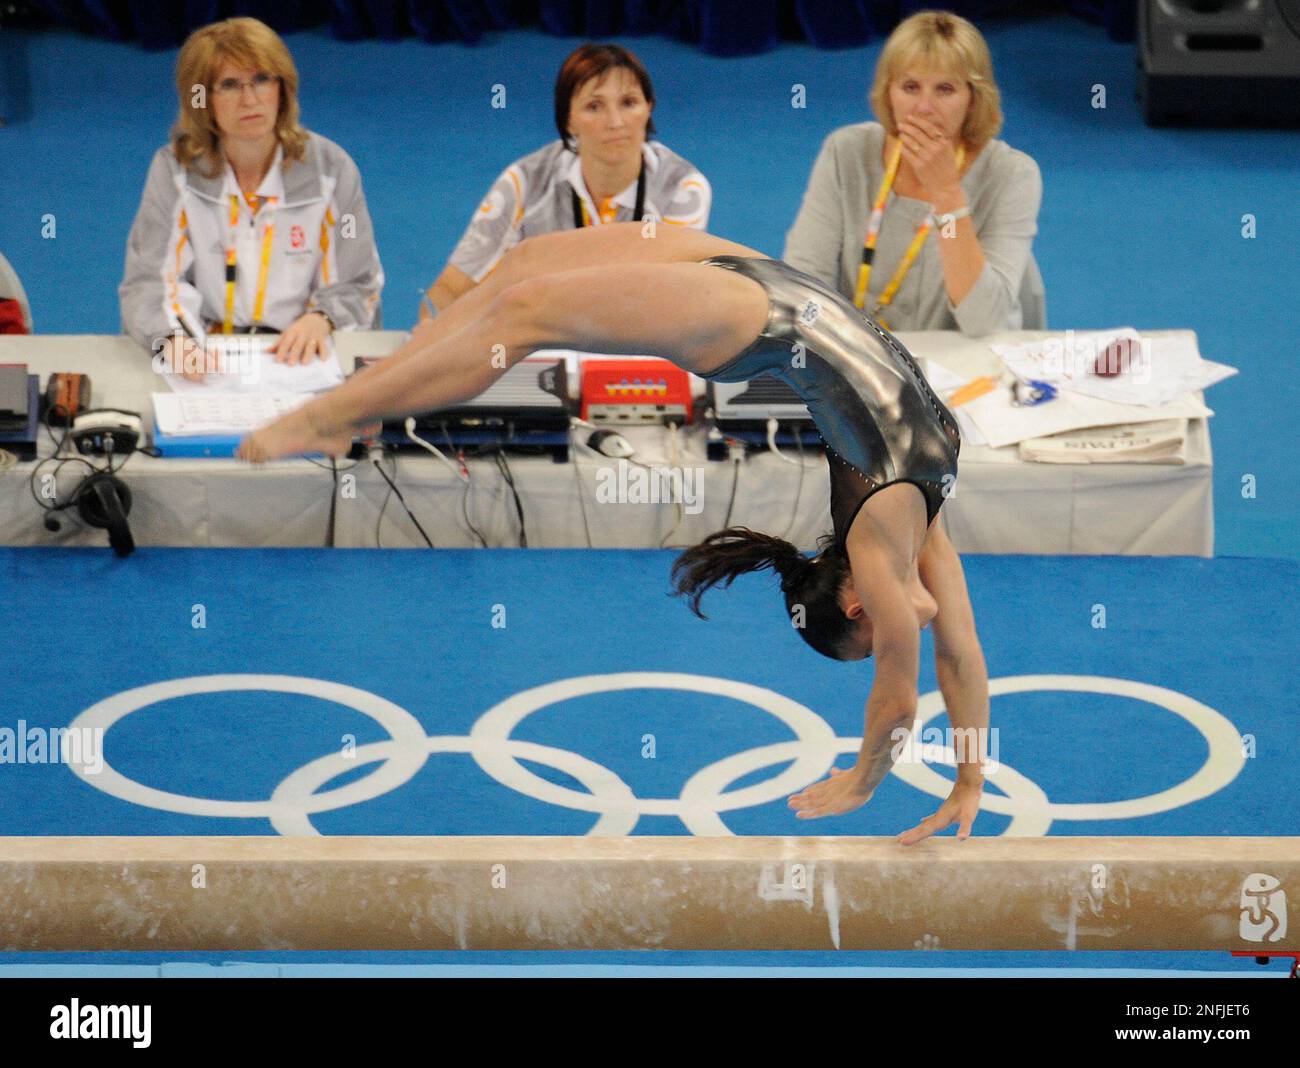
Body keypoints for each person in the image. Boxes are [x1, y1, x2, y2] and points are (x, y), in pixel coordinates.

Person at [237, 223, 990, 844]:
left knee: (526, 309)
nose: (906, 630)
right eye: (884, 634)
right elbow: (918, 682)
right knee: (522, 269)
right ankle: (363, 403)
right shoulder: (893, 545)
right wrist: (889, 781)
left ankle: (341, 413)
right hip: (761, 295)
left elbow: (946, 654)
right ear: (859, 607)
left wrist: (963, 777)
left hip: (758, 305)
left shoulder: (900, 528)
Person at [119, 16, 384, 379]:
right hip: (208, 356)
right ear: (203, 100)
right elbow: (148, 281)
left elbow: (357, 281)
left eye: (262, 79)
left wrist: (323, 318)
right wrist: (172, 338)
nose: (250, 99)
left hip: (299, 355)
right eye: (229, 85)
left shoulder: (331, 170)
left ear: (282, 89)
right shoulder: (175, 170)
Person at [783, 10, 1044, 337]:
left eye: (945, 89)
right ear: (888, 93)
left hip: (965, 369)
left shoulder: (1011, 175)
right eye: (910, 87)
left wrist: (947, 196)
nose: (923, 107)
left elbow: (984, 321)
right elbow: (803, 285)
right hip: (857, 358)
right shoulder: (846, 153)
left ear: (973, 99)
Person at [419, 42, 710, 318]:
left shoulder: (683, 189)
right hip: (537, 341)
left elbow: (668, 304)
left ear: (649, 107)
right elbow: (447, 291)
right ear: (569, 119)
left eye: (629, 103)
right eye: (594, 106)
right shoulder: (525, 182)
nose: (615, 122)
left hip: (641, 348)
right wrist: (429, 342)